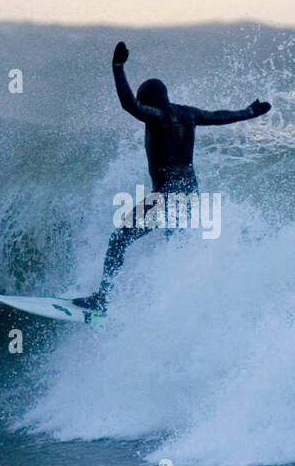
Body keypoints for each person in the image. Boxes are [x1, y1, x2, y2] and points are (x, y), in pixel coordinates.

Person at [74, 41, 270, 311]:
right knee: (173, 246)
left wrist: (117, 67)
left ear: (148, 102)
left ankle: (102, 299)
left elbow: (128, 105)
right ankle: (176, 308)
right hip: (190, 193)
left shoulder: (156, 116)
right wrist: (248, 112)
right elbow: (219, 116)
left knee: (119, 240)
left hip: (168, 195)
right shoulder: (188, 114)